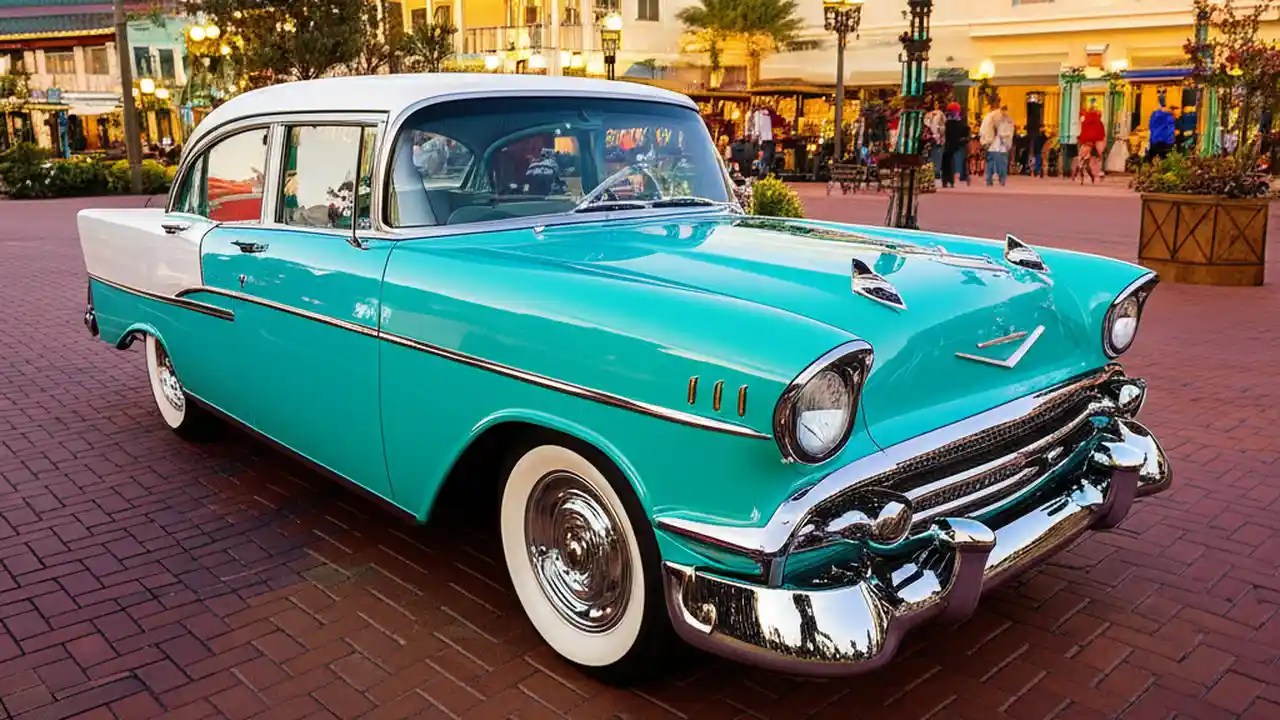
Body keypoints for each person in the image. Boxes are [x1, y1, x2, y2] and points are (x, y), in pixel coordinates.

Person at [980, 104, 1014, 186]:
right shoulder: (1007, 118)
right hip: (999, 144)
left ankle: (990, 179)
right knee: (1001, 162)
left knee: (992, 162)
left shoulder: (990, 117)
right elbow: (1010, 132)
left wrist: (985, 141)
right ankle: (999, 179)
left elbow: (984, 130)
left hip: (994, 144)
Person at [1077, 97, 1106, 182]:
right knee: (1086, 164)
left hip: (1086, 146)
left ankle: (1089, 176)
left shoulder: (1087, 120)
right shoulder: (1095, 121)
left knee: (1085, 164)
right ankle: (1092, 175)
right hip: (1088, 146)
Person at [941, 102, 969, 188]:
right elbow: (965, 133)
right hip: (957, 146)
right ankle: (952, 180)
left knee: (947, 162)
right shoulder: (960, 123)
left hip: (948, 145)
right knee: (954, 161)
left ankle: (946, 180)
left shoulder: (947, 122)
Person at [925, 101, 946, 179]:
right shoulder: (929, 114)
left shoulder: (940, 114)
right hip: (931, 136)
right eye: (935, 104)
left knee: (937, 154)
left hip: (937, 136)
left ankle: (936, 171)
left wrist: (940, 132)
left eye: (938, 104)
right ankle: (932, 170)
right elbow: (926, 124)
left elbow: (943, 124)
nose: (936, 105)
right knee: (932, 154)